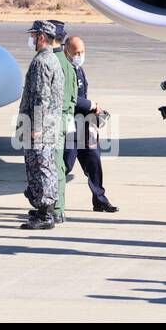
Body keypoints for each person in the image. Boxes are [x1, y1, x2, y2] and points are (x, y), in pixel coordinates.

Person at [62, 35, 117, 212]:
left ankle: (99, 199)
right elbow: (70, 98)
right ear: (66, 51)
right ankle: (47, 198)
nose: (79, 55)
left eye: (82, 51)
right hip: (71, 126)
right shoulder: (64, 69)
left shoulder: (79, 69)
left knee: (94, 161)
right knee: (65, 165)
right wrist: (92, 105)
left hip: (84, 124)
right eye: (76, 52)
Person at [18, 20, 63, 230]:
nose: (32, 39)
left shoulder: (42, 62)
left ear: (42, 37)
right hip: (48, 124)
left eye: (34, 35)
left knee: (40, 167)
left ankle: (45, 213)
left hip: (39, 125)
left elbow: (40, 97)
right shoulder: (52, 59)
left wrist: (36, 126)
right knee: (44, 166)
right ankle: (43, 207)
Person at [51, 22, 77, 224]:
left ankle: (55, 209)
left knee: (53, 166)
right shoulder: (67, 63)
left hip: (53, 121)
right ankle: (57, 208)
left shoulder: (52, 61)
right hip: (65, 119)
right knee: (58, 166)